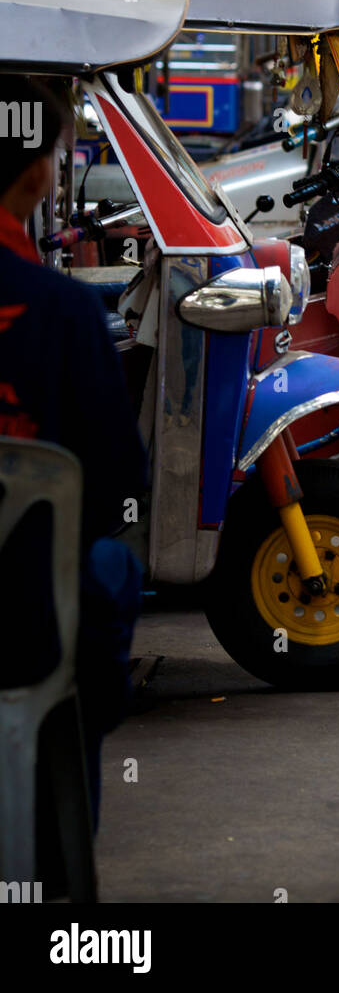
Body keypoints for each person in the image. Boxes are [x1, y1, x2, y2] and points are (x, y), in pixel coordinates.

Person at [0, 74, 148, 836]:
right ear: (36, 172)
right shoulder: (61, 311)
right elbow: (120, 480)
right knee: (108, 568)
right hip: (25, 623)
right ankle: (54, 847)